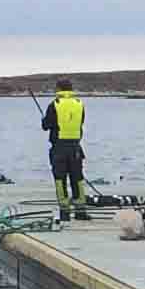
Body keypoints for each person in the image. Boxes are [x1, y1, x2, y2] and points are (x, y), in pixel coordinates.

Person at [44, 77, 88, 217]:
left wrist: (45, 121)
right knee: (77, 178)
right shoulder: (79, 104)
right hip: (75, 147)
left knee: (60, 179)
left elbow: (46, 125)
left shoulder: (54, 104)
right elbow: (80, 122)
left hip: (59, 148)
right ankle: (80, 211)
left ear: (58, 89)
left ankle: (65, 211)